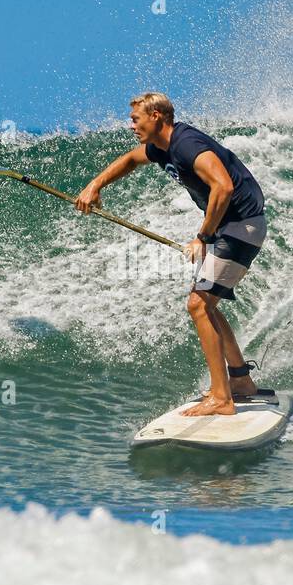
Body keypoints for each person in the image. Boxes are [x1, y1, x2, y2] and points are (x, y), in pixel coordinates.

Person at [75, 92, 268, 416]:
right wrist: (96, 185)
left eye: (136, 119)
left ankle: (222, 398)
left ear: (157, 117)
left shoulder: (186, 145)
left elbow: (224, 186)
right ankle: (240, 381)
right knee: (207, 303)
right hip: (230, 227)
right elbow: (131, 160)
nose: (131, 125)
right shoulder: (161, 148)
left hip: (242, 226)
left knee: (199, 304)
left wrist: (202, 237)